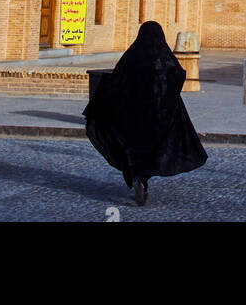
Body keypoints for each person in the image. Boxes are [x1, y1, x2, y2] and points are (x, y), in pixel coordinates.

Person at [83, 20, 207, 205]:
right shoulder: (163, 57)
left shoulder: (133, 56)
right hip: (158, 119)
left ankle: (138, 180)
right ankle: (142, 181)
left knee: (132, 150)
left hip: (133, 118)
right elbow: (178, 75)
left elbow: (118, 79)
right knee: (153, 151)